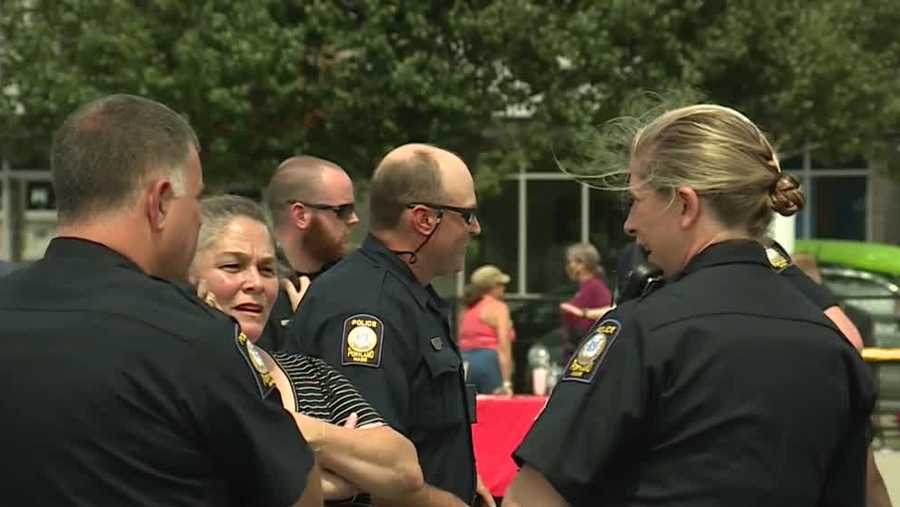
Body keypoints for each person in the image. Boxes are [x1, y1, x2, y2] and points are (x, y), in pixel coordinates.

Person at [506, 104, 874, 507]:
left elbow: (530, 500)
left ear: (685, 204)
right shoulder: (831, 346)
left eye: (636, 199)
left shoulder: (643, 331)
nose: (630, 223)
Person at [0, 95, 322, 506]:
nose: (199, 218)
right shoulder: (194, 338)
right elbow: (298, 494)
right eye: (197, 199)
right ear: (160, 201)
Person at [286, 143, 495, 507]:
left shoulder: (405, 294)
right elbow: (368, 469)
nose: (475, 228)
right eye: (467, 214)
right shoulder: (369, 308)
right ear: (424, 219)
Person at [188, 194, 425, 505]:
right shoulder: (169, 376)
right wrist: (338, 468)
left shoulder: (310, 373)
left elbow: (405, 471)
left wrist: (300, 435)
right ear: (186, 275)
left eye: (268, 269)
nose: (255, 283)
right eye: (233, 266)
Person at [259, 156, 361, 351]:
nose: (354, 219)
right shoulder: (258, 286)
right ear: (301, 215)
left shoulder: (355, 278)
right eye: (342, 210)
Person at [459, 264, 515, 394]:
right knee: (495, 408)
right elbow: (504, 345)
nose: (503, 288)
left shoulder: (467, 310)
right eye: (500, 284)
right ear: (491, 287)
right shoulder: (498, 308)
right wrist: (507, 382)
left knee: (469, 410)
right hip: (489, 362)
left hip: (465, 362)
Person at [558, 243, 612, 360]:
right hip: (574, 352)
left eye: (570, 262)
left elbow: (611, 311)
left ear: (583, 264)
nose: (568, 267)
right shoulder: (579, 288)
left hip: (589, 354)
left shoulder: (596, 286)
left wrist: (581, 313)